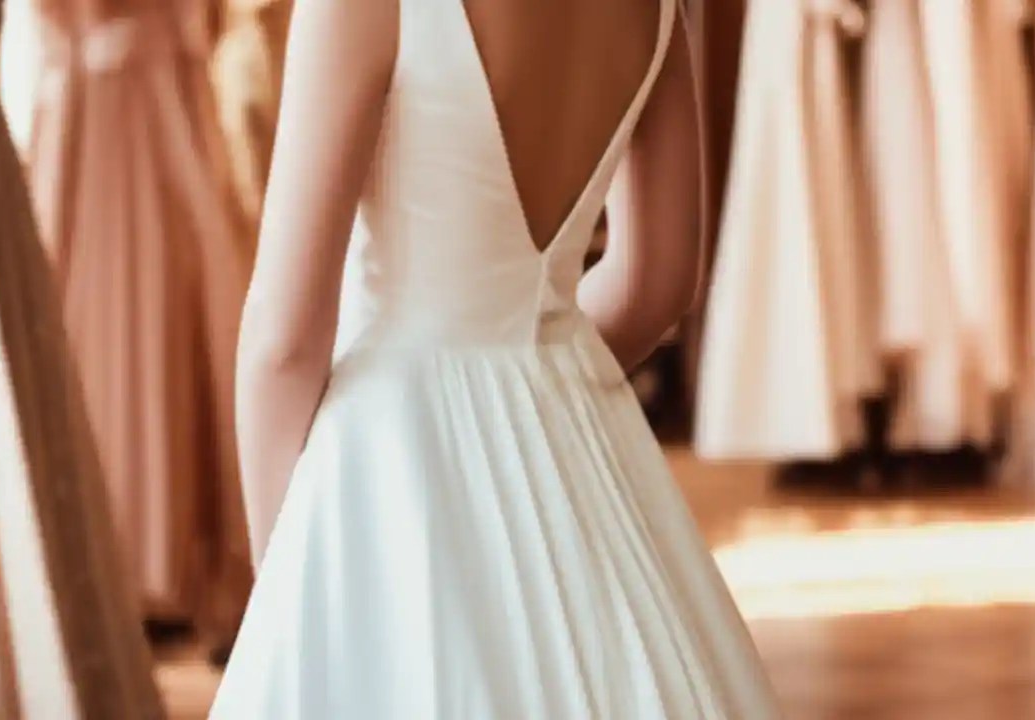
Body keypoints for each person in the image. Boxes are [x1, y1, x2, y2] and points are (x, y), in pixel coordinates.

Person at [214, 0, 780, 716]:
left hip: (389, 455)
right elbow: (660, 281)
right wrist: (534, 384)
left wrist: (289, 582)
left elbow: (285, 338)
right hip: (575, 434)